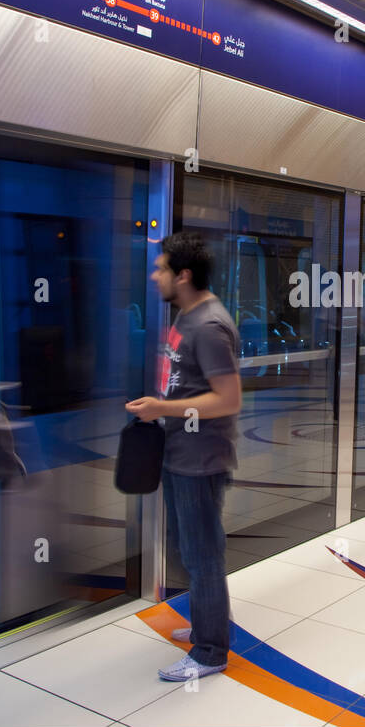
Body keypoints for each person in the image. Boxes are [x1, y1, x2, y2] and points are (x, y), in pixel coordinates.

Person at [126, 231, 242, 683]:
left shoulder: (209, 325)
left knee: (202, 554)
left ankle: (211, 650)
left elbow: (228, 399)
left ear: (184, 275)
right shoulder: (187, 316)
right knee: (188, 548)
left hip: (201, 458)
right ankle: (207, 622)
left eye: (161, 269)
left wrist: (161, 409)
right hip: (178, 451)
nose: (154, 276)